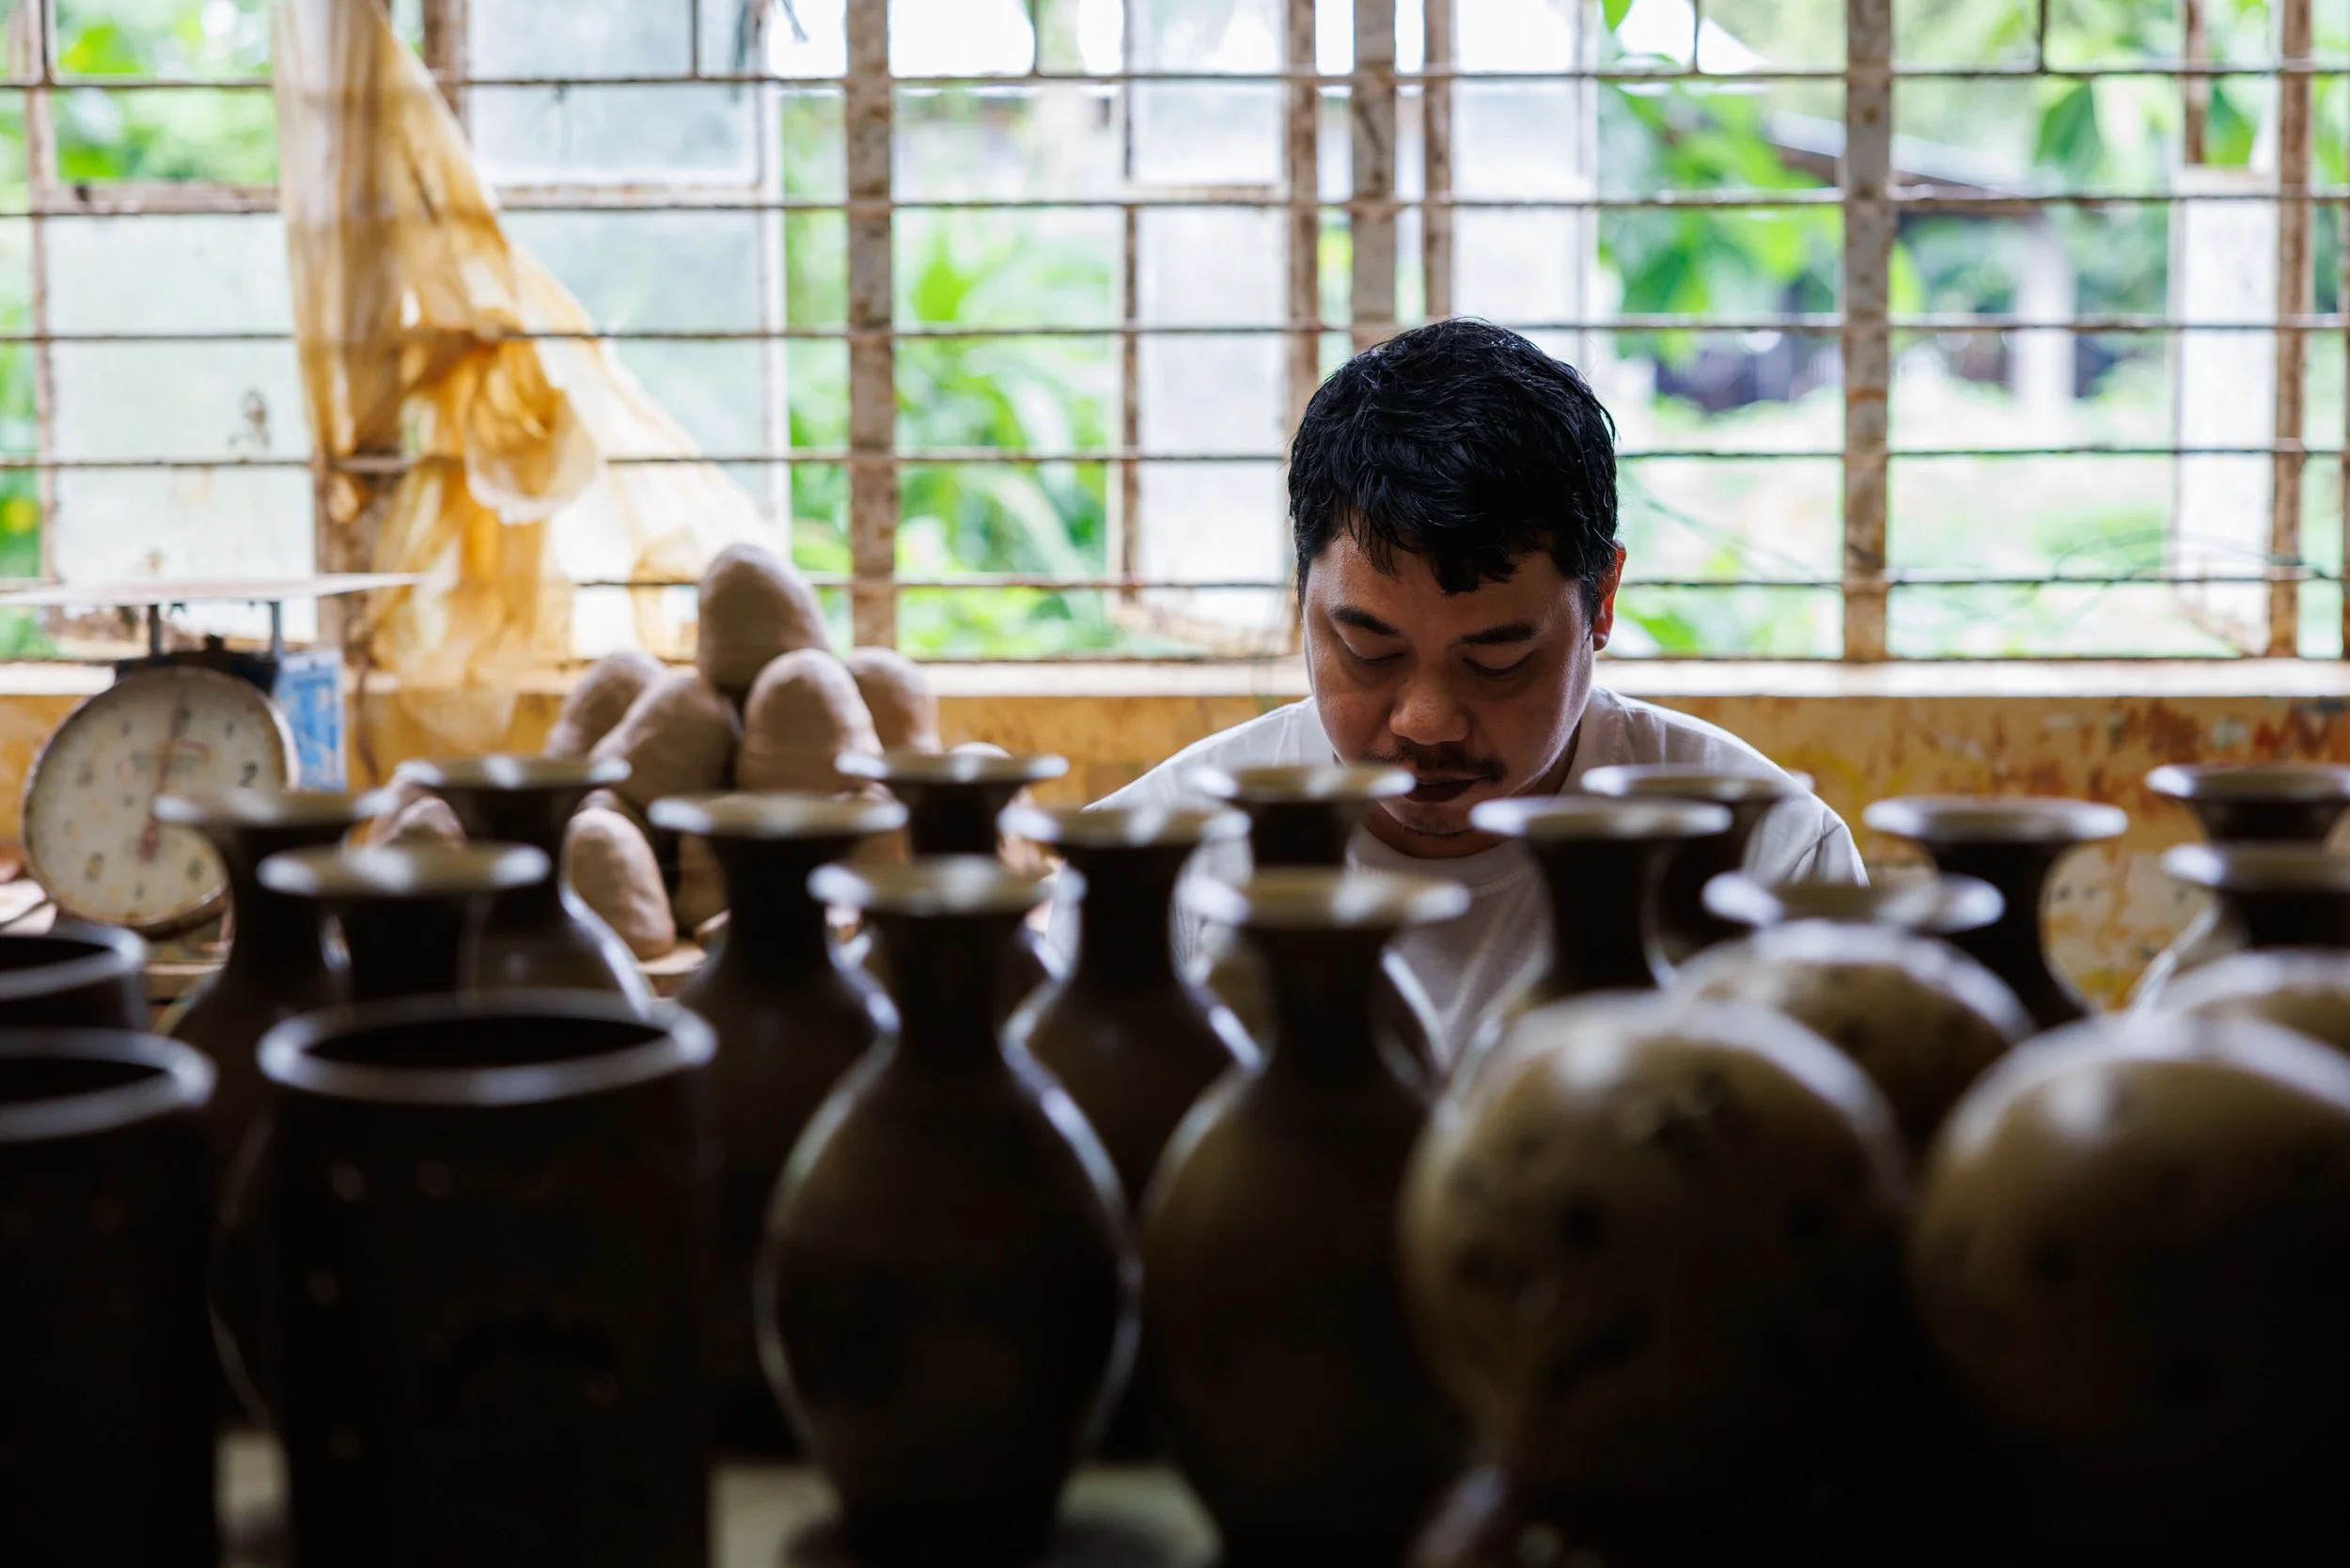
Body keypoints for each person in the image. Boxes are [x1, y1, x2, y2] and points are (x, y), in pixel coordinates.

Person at [1067, 319, 1862, 1065]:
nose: (1429, 723)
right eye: (1368, 651)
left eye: (1498, 659)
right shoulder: (1146, 873)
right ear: (1299, 596)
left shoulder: (1773, 865)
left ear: (1603, 601)